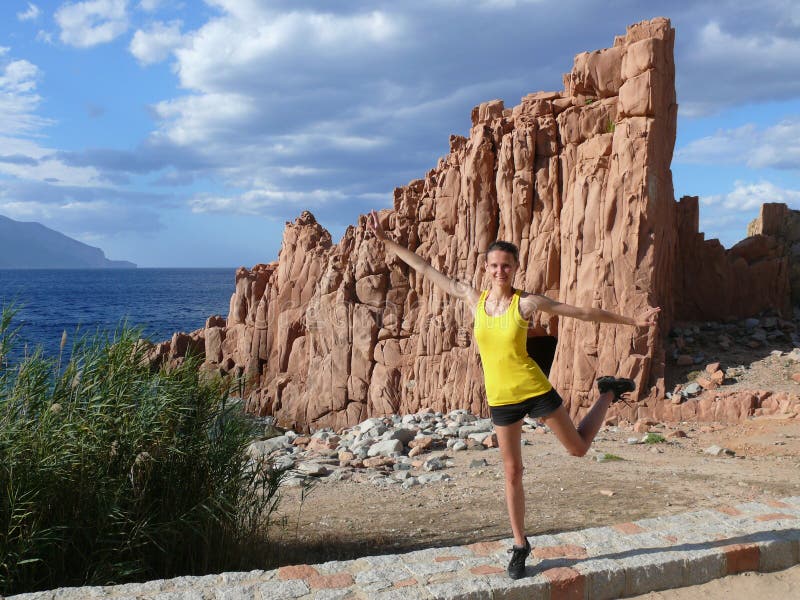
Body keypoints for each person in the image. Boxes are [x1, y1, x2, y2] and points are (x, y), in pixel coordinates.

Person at [367, 210, 660, 579]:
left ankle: (607, 393)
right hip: (502, 398)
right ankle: (520, 545)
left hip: (534, 389)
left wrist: (634, 321)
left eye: (506, 265)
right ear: (486, 268)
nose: (499, 271)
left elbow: (583, 312)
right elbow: (426, 270)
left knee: (578, 448)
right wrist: (387, 241)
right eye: (494, 265)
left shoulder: (527, 303)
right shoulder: (472, 297)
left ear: (515, 268)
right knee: (512, 472)